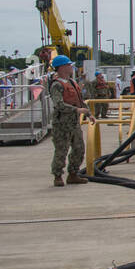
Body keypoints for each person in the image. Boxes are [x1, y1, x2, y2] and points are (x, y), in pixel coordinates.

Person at [47, 55, 94, 186]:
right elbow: (59, 104)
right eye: (68, 65)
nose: (71, 67)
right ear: (62, 67)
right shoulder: (57, 85)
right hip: (62, 123)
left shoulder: (72, 83)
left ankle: (73, 174)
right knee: (61, 150)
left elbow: (79, 101)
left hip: (74, 122)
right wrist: (77, 110)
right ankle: (57, 176)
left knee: (79, 148)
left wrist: (88, 113)